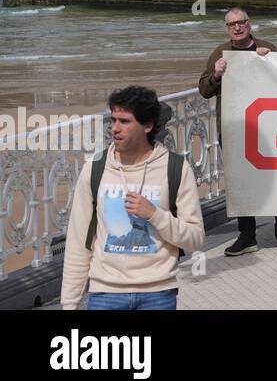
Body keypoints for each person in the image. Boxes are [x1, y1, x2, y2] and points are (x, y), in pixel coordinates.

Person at [60, 86, 205, 310]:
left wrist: (155, 215)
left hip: (158, 294)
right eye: (113, 120)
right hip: (104, 293)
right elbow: (78, 243)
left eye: (124, 121)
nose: (115, 129)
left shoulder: (175, 168)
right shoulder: (95, 169)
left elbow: (195, 238)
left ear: (147, 126)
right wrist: (69, 304)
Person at [198, 7, 277, 256]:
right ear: (226, 28)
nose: (237, 27)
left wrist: (271, 62)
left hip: (266, 125)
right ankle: (247, 235)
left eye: (241, 22)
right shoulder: (220, 53)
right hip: (233, 128)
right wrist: (217, 75)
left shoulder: (267, 48)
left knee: (274, 172)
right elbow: (203, 89)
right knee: (239, 181)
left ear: (249, 24)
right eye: (232, 24)